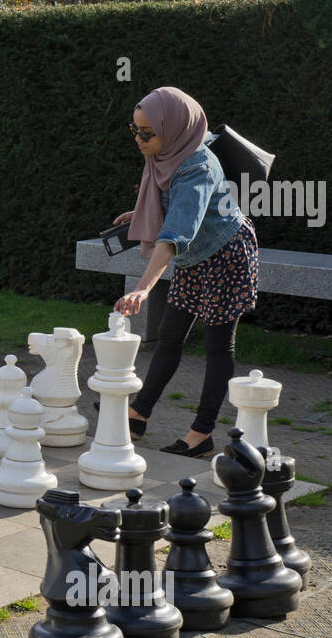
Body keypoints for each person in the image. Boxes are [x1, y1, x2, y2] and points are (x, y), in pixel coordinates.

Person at [110, 86, 259, 459]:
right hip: (197, 258)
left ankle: (201, 434)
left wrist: (143, 289)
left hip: (226, 256)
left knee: (218, 346)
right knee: (170, 336)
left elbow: (175, 236)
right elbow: (168, 200)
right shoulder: (167, 154)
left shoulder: (197, 167)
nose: (140, 140)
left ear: (174, 129)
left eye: (148, 133)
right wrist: (140, 213)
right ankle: (138, 414)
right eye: (135, 130)